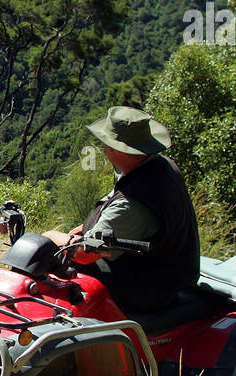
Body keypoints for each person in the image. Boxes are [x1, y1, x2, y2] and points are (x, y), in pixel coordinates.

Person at [42, 106, 200, 314]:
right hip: (160, 271)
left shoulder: (133, 203)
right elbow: (110, 214)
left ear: (116, 149)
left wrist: (49, 236)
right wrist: (78, 231)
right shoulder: (156, 166)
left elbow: (84, 254)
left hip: (151, 289)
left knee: (59, 271)